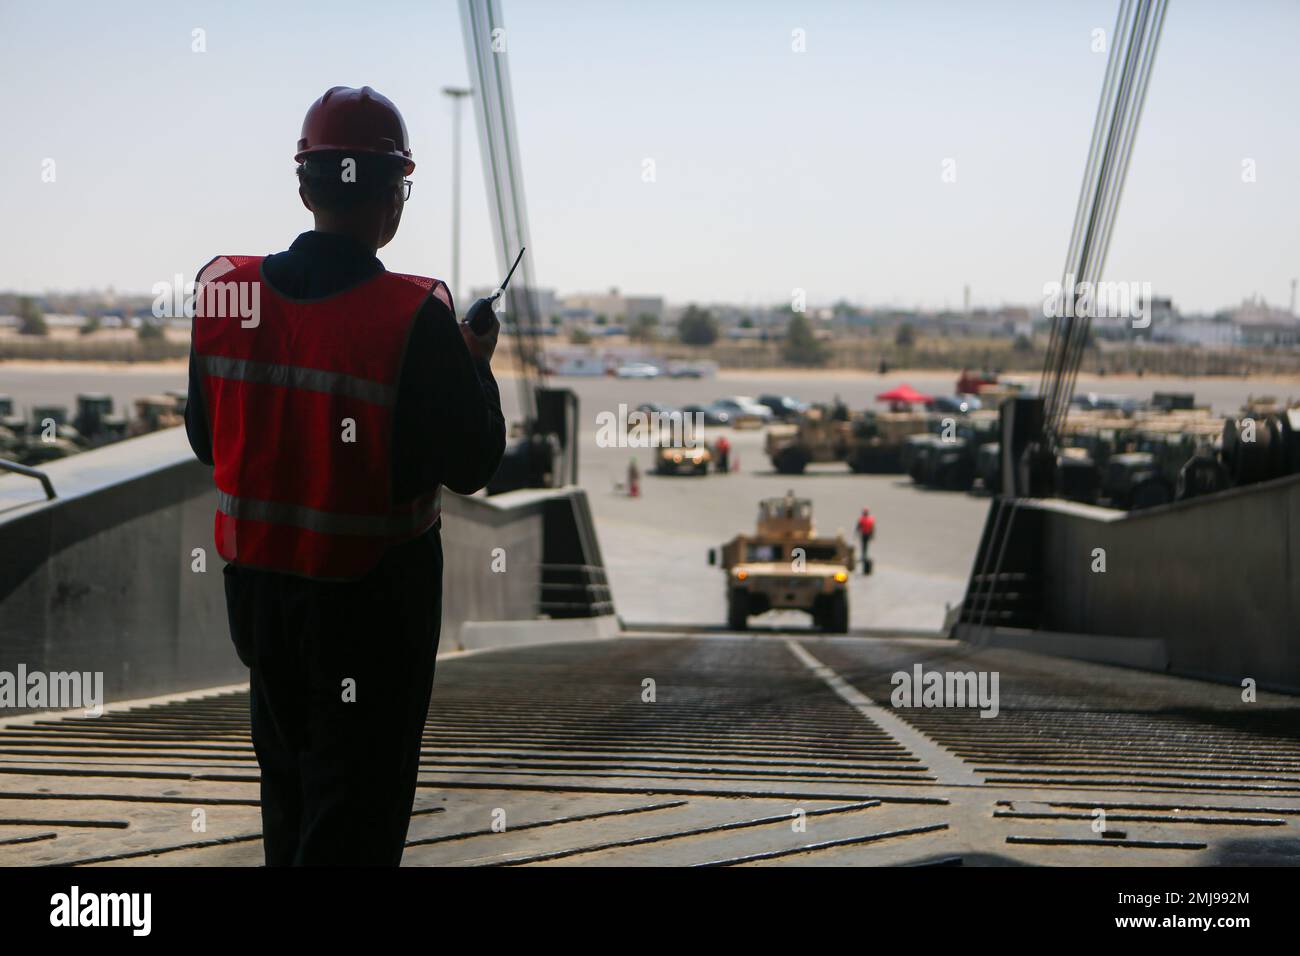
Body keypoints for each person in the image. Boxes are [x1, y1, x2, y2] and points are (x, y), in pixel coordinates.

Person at [184, 86, 505, 866]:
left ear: (306, 185)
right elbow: (473, 463)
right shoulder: (414, 316)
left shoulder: (226, 291)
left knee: (288, 791)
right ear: (394, 197)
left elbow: (205, 438)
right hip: (372, 608)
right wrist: (474, 369)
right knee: (358, 804)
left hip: (258, 596)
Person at [856, 507, 876, 574]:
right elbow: (859, 526)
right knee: (864, 545)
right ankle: (864, 554)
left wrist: (857, 532)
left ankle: (864, 555)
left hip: (866, 534)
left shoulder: (865, 519)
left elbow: (859, 526)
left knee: (864, 545)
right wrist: (872, 535)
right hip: (865, 534)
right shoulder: (868, 519)